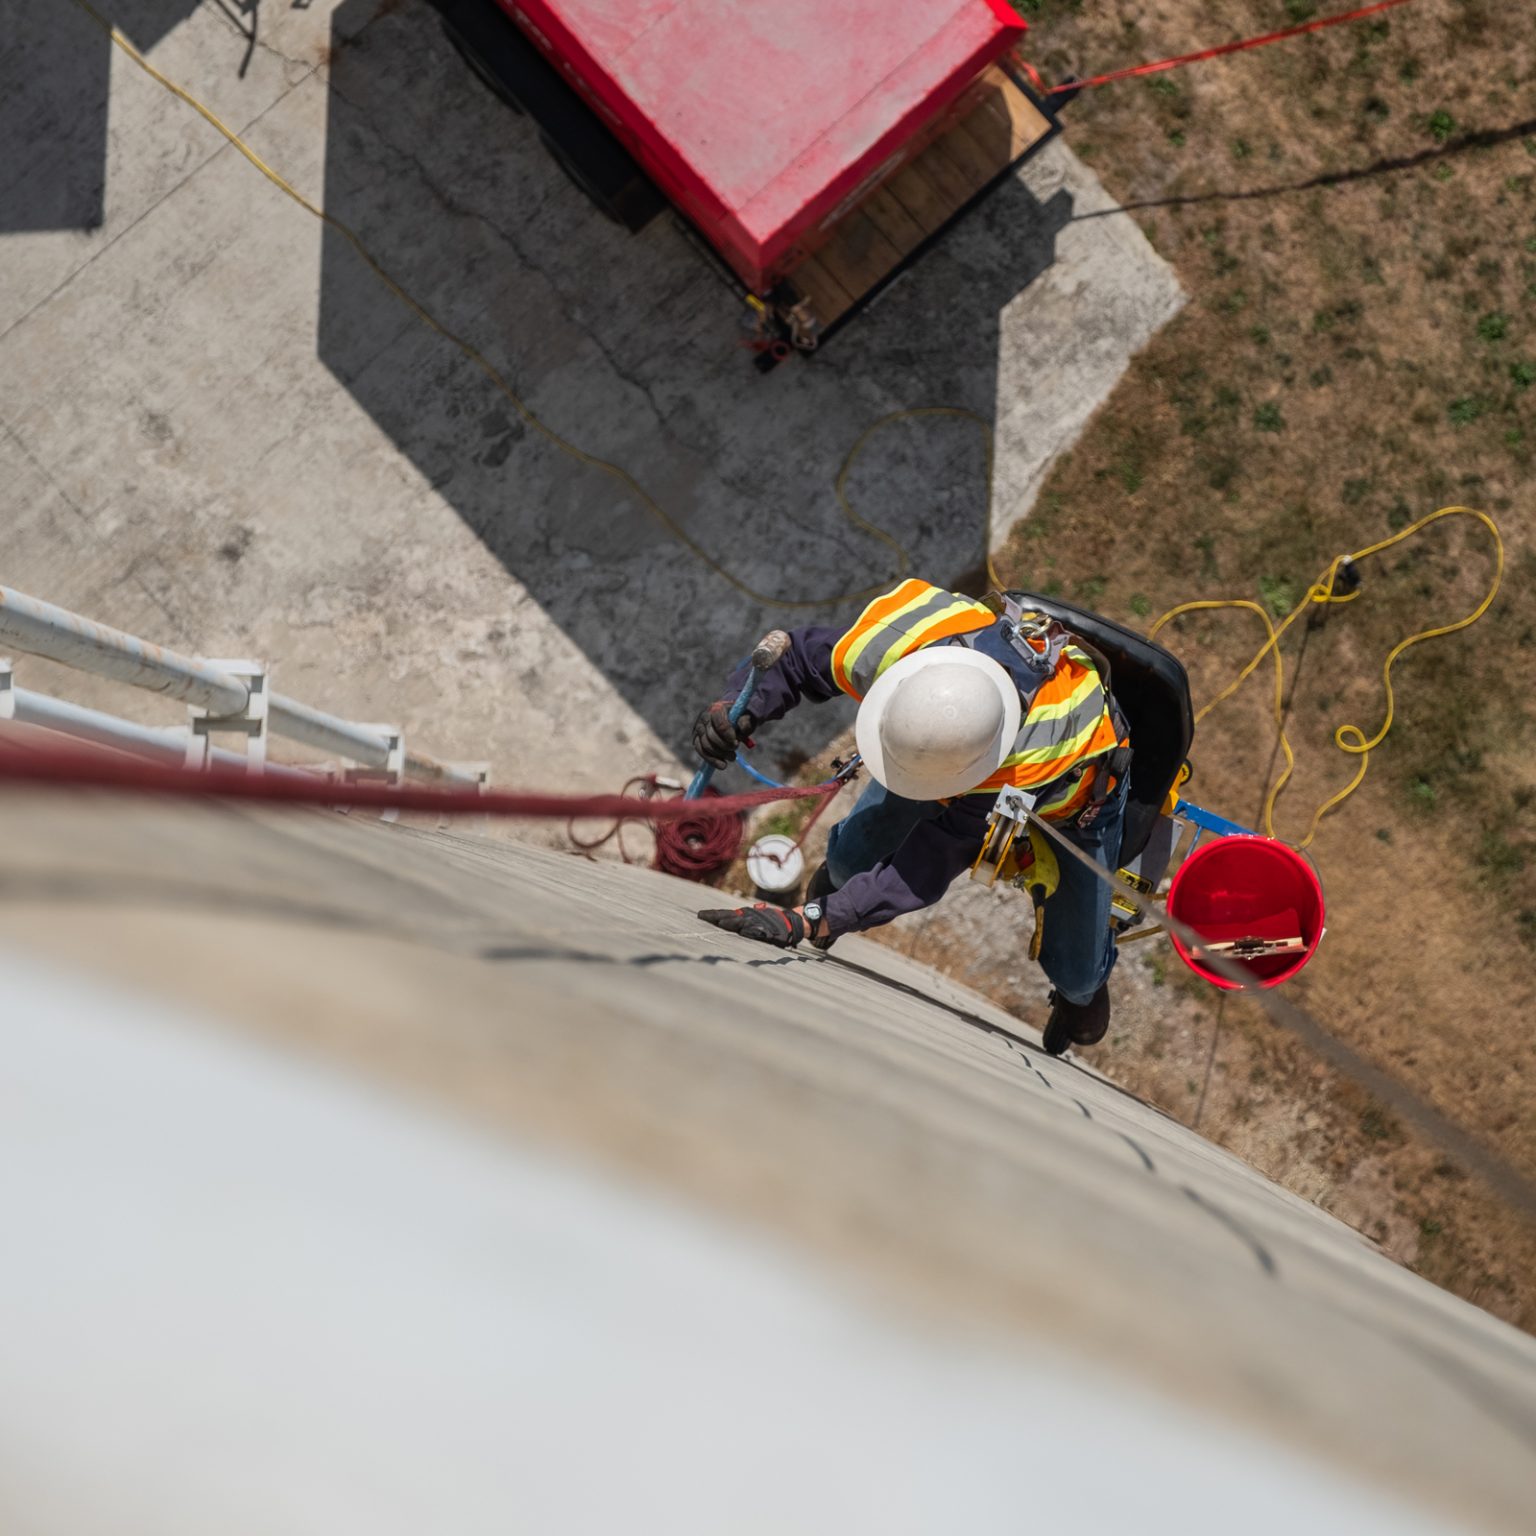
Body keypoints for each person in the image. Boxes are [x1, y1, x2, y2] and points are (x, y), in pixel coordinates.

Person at [691, 578, 1133, 1055]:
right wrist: (737, 708)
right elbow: (795, 656)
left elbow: (925, 866)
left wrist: (812, 919)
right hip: (940, 755)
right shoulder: (899, 641)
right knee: (843, 869)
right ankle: (844, 874)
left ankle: (1086, 979)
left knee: (1079, 984)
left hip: (1076, 807)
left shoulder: (1030, 757)